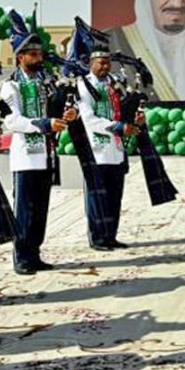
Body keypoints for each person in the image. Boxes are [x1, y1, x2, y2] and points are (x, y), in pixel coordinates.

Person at [1, 26, 76, 275]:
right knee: (24, 210)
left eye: (39, 53)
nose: (38, 58)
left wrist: (66, 115)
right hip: (25, 158)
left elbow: (52, 111)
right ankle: (22, 256)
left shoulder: (45, 83)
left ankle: (35, 254)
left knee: (41, 210)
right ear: (20, 57)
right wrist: (45, 124)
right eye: (32, 54)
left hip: (46, 153)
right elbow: (13, 121)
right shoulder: (11, 86)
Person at [76, 33, 139, 250]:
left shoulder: (115, 83)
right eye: (101, 62)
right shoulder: (83, 84)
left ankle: (111, 235)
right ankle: (97, 237)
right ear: (91, 63)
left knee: (115, 195)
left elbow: (123, 109)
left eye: (107, 62)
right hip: (96, 148)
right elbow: (89, 119)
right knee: (96, 196)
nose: (105, 66)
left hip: (117, 148)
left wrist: (134, 119)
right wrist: (118, 127)